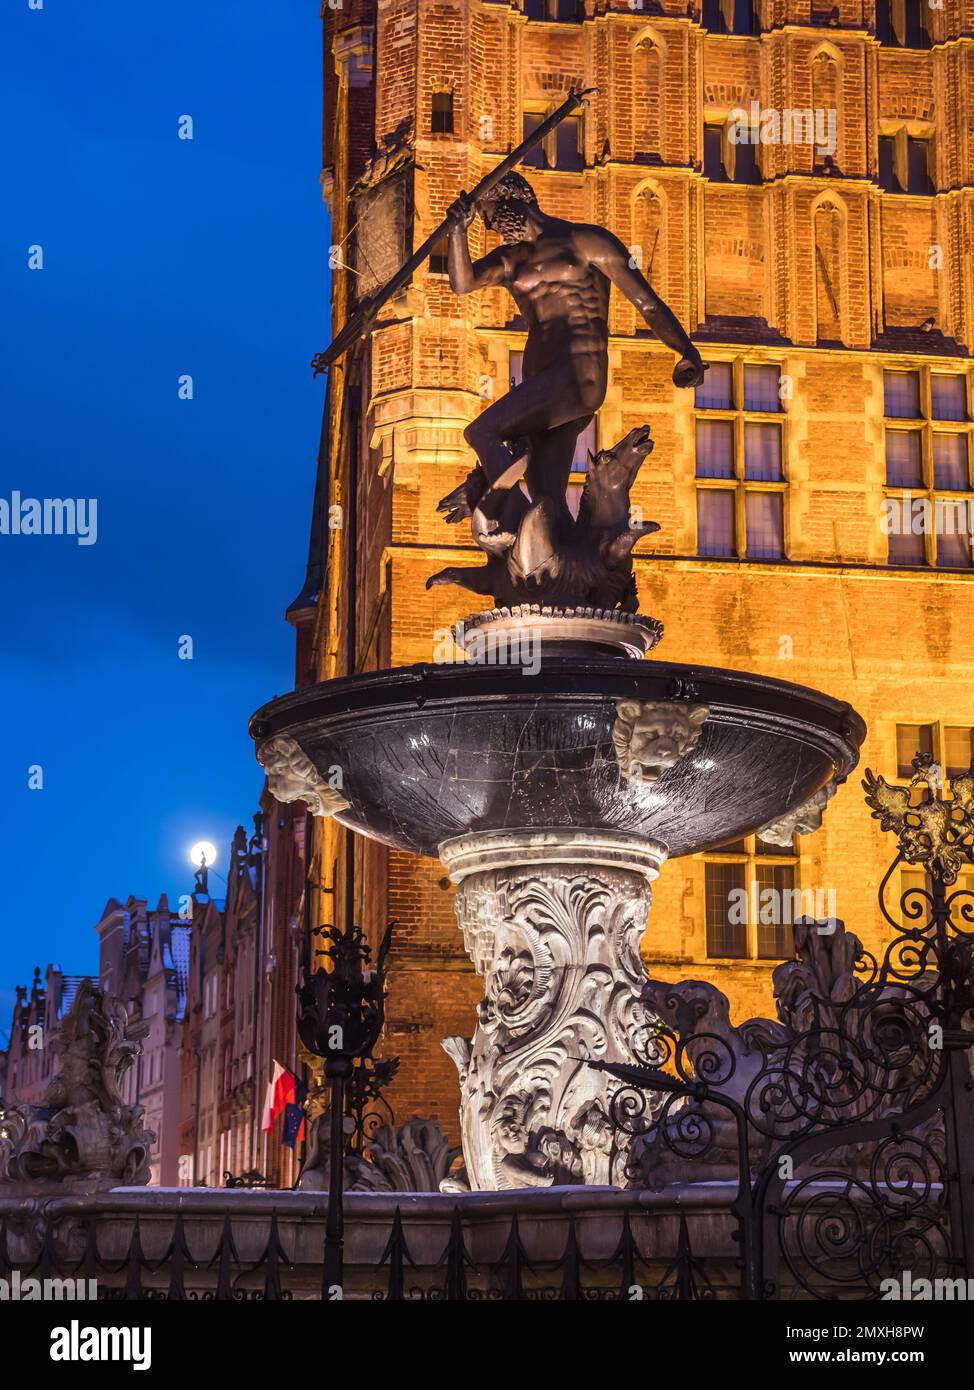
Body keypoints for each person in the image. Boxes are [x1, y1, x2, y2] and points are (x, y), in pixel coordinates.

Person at [439, 170, 705, 538]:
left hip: (577, 376)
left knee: (481, 430)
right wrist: (457, 231)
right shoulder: (509, 260)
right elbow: (463, 282)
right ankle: (565, 571)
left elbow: (648, 303)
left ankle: (502, 510)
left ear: (513, 198)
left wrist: (685, 349)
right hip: (540, 384)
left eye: (489, 213)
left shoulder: (586, 240)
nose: (488, 225)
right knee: (547, 502)